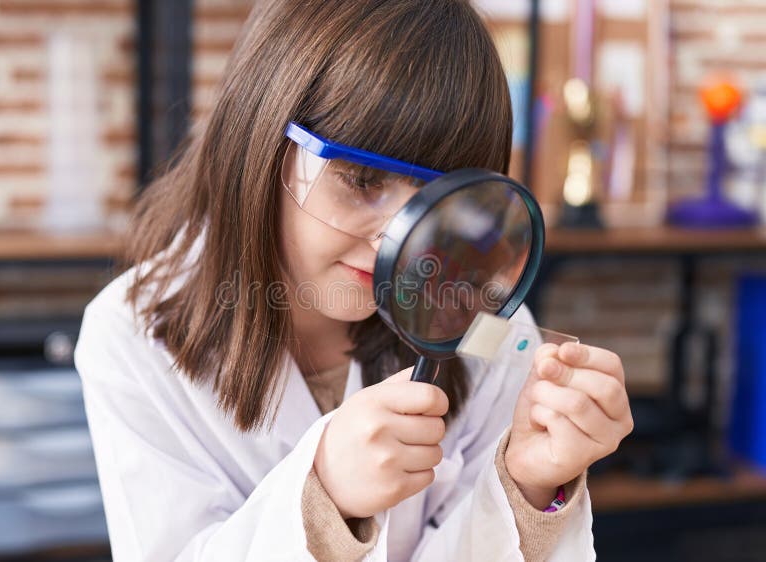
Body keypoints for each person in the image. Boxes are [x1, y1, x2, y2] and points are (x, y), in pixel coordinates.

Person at [74, 1, 634, 560]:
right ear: (261, 143)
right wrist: (325, 498)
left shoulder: (479, 325)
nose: (400, 241)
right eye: (362, 181)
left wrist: (526, 485)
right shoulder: (128, 337)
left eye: (440, 203)